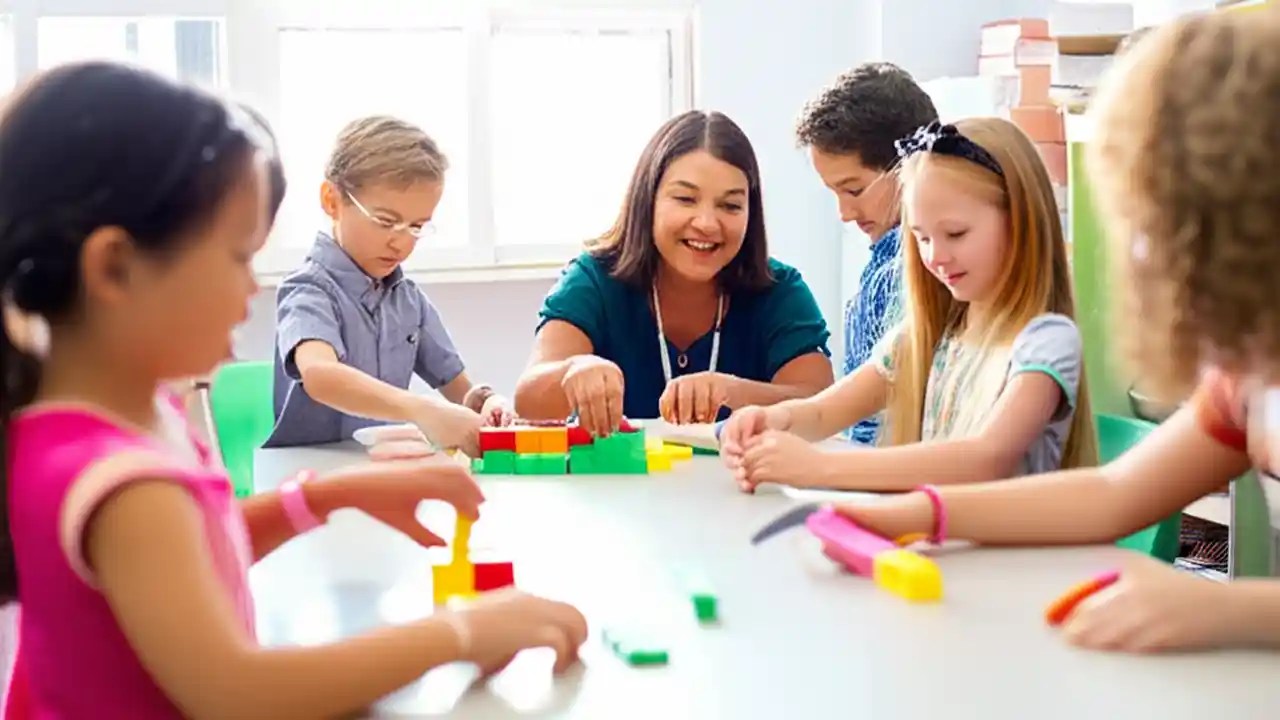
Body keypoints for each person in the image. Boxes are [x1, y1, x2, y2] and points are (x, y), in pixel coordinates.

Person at [0, 62, 585, 718]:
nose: (254, 289)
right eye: (237, 257)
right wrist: (461, 632)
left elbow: (193, 549)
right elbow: (240, 694)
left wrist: (333, 492)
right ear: (114, 268)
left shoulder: (130, 417)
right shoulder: (123, 481)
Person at [828, 9, 1280, 654]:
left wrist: (1227, 608)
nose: (1143, 251)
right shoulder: (1246, 381)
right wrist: (919, 512)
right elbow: (1112, 494)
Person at [720, 117, 1096, 491]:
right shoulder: (926, 336)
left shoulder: (1046, 340)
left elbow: (986, 458)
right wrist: (771, 420)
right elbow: (822, 412)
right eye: (922, 237)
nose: (936, 256)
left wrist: (820, 467)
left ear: (1022, 221)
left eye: (955, 233)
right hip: (941, 544)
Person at [514, 110, 834, 436]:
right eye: (685, 199)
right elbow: (527, 400)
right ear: (648, 199)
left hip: (744, 483)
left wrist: (733, 392)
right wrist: (574, 369)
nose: (707, 223)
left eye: (730, 206)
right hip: (617, 487)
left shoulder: (780, 289)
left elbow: (823, 405)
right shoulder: (593, 279)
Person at [264, 115, 511, 456]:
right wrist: (420, 410)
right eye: (386, 221)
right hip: (310, 478)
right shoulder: (308, 290)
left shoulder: (407, 300)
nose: (401, 243)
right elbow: (321, 375)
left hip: (379, 473)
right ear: (332, 200)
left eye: (417, 226)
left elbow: (461, 391)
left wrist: (487, 402)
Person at [794, 62, 939, 444]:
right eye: (835, 193)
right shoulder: (884, 259)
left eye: (853, 190)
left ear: (909, 165)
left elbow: (879, 426)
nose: (844, 213)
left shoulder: (915, 270)